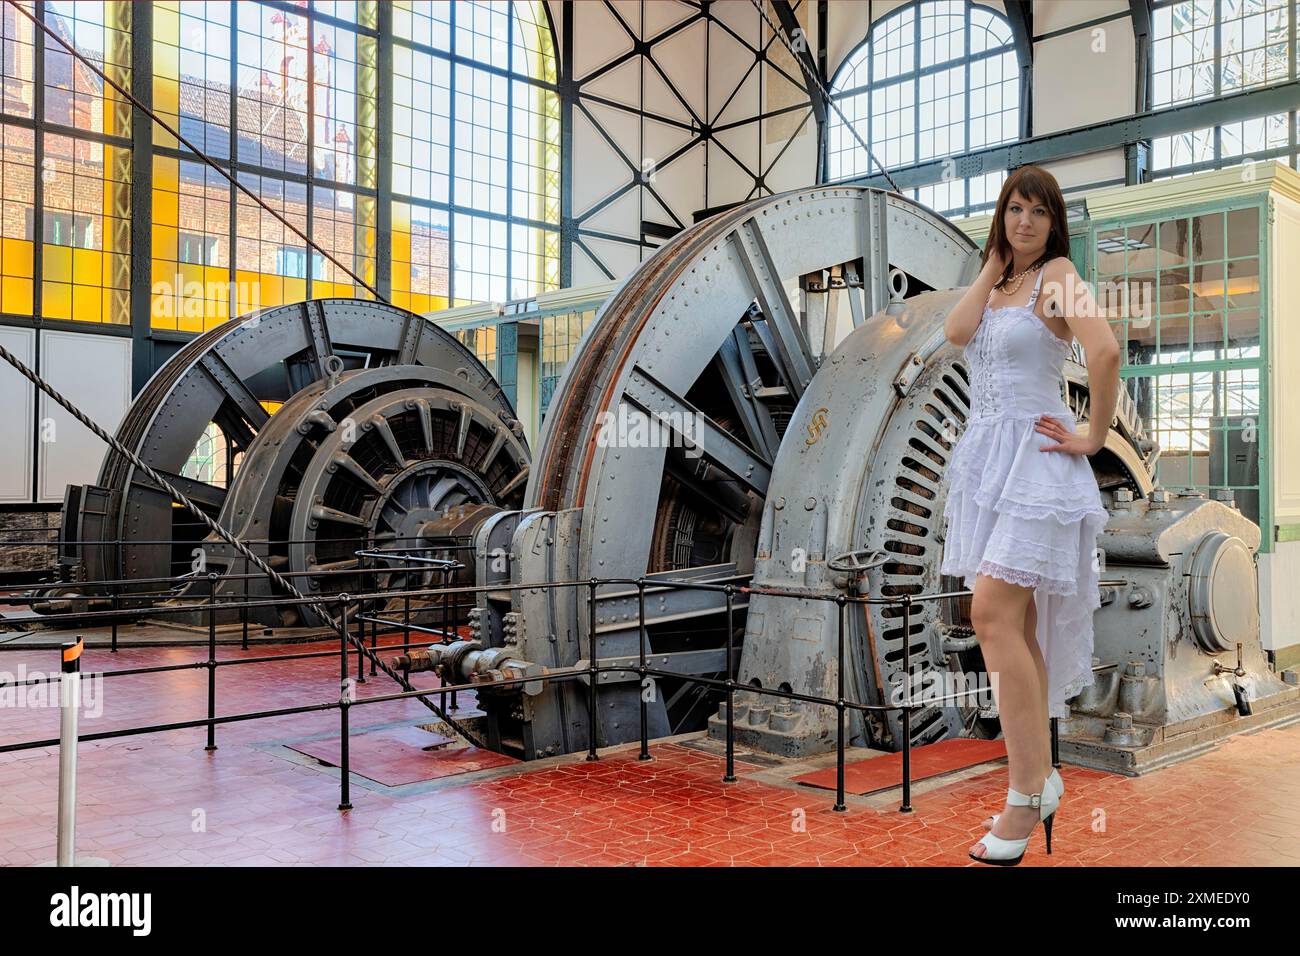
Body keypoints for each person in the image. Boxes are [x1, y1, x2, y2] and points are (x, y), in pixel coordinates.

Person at [940, 165, 1120, 865]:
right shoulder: (1003, 282)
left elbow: (1102, 351)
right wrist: (991, 267)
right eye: (1015, 209)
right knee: (1016, 623)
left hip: (1040, 463)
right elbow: (957, 332)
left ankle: (1023, 794)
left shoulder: (1058, 275)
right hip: (991, 463)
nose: (1024, 222)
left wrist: (1094, 437)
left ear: (1053, 223)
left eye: (1038, 213)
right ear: (1001, 216)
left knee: (989, 613)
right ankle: (1039, 780)